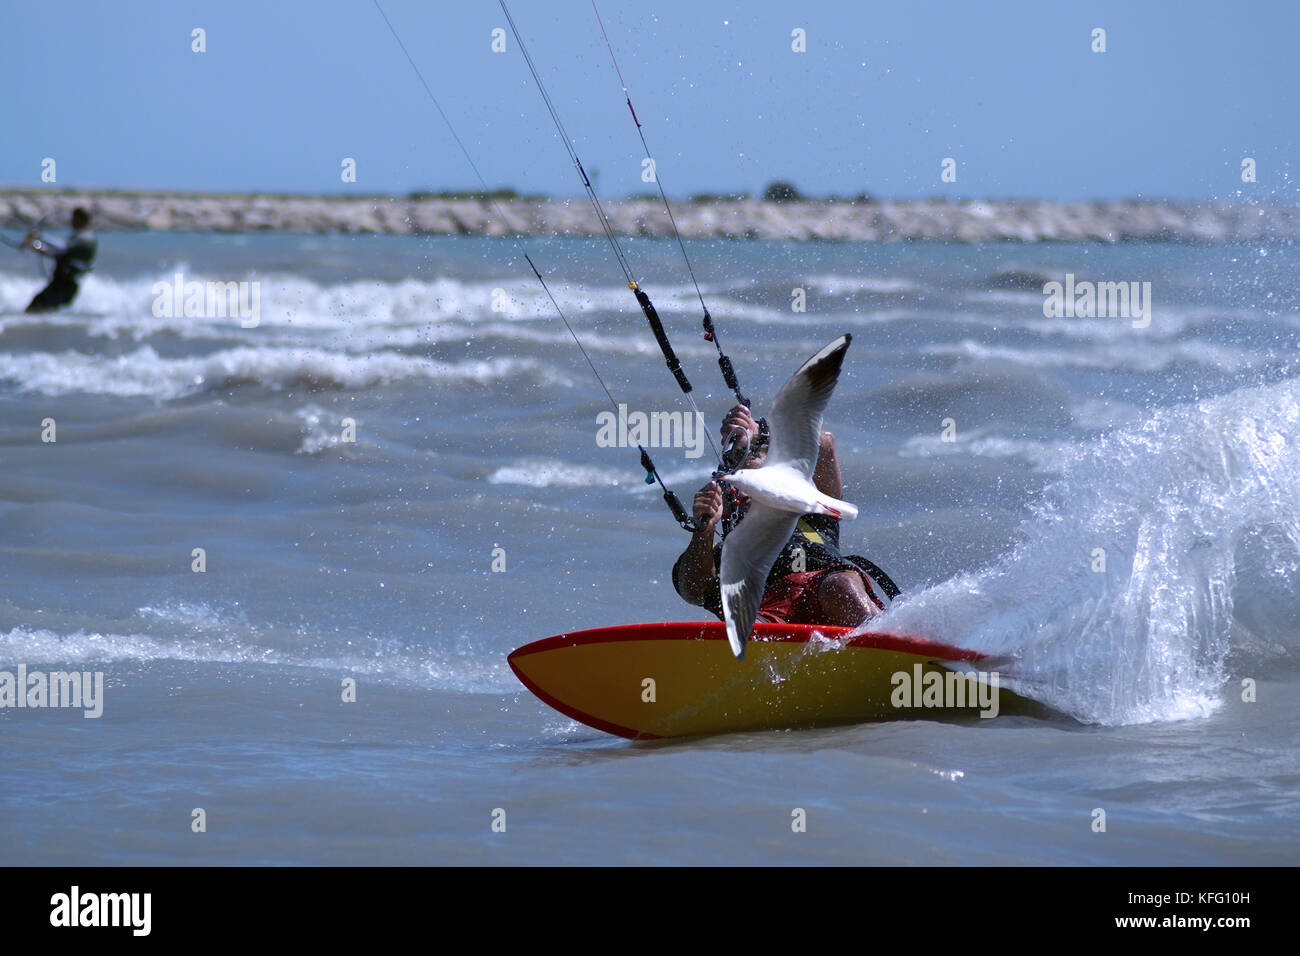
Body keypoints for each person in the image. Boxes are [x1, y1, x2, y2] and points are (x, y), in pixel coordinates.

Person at [672, 404, 888, 629]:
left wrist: (762, 431)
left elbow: (824, 443)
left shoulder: (814, 514)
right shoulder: (720, 556)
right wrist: (703, 531)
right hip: (767, 621)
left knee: (842, 585)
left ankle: (886, 643)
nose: (747, 491)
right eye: (738, 483)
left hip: (830, 600)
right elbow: (693, 592)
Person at [24, 207, 97, 314]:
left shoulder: (86, 238)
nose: (71, 221)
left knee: (36, 309)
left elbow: (63, 248)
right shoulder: (78, 236)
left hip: (66, 286)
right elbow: (58, 253)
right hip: (61, 284)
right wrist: (35, 246)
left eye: (74, 218)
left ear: (81, 220)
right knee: (39, 309)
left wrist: (40, 236)